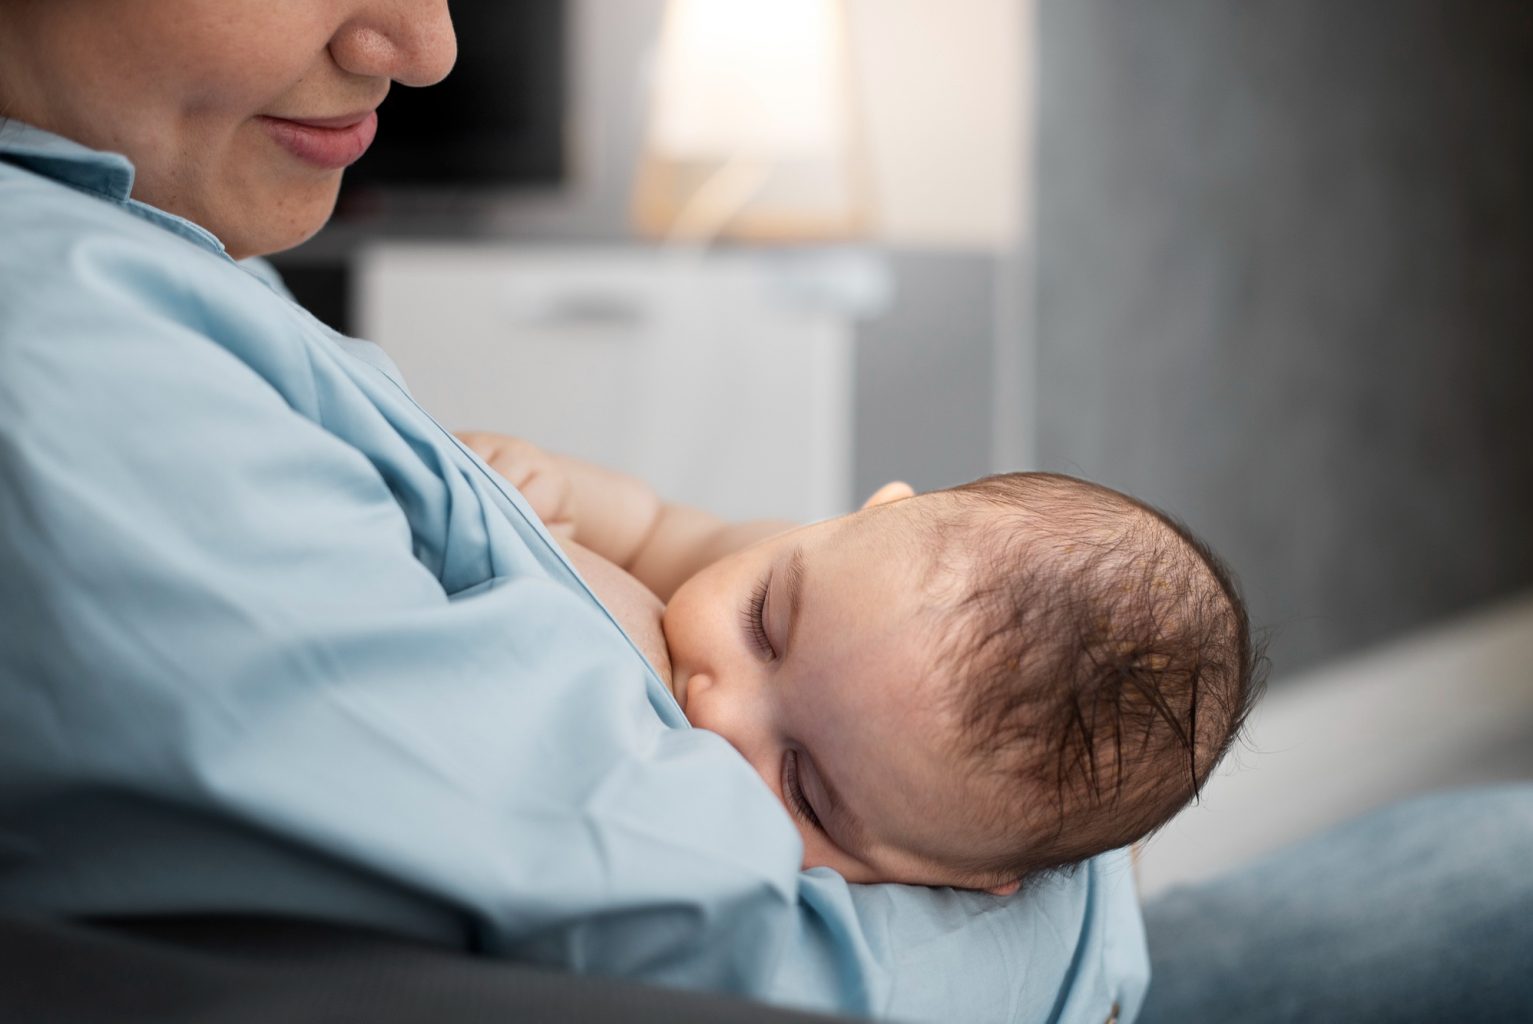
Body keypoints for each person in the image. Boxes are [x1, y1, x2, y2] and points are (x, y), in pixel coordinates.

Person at [0, 4, 1144, 1023]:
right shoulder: (64, 345)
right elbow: (740, 960)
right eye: (763, 625)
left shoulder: (160, 233)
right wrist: (1071, 885)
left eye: (806, 784)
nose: (429, 47)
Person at [457, 433, 1260, 896]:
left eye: (806, 791)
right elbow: (648, 527)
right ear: (871, 515)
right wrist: (554, 491)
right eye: (761, 626)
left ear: (957, 881)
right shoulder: (766, 555)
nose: (717, 710)